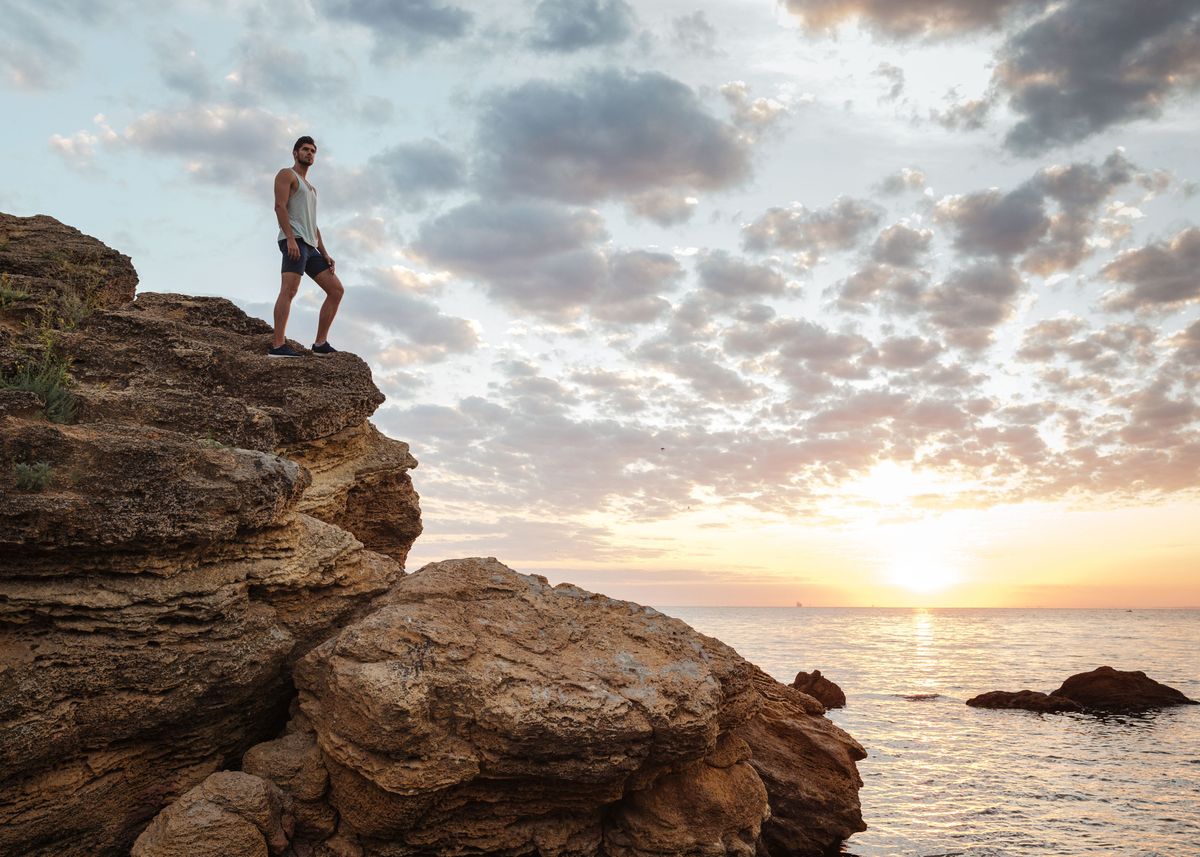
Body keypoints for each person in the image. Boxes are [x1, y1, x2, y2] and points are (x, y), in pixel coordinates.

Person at [269, 135, 344, 357]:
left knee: (336, 290)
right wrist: (290, 238)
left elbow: (313, 224)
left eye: (312, 151)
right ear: (295, 153)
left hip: (311, 246)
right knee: (289, 290)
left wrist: (325, 253)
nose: (309, 153)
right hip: (295, 241)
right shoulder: (286, 175)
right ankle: (277, 345)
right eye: (305, 150)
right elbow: (279, 207)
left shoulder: (312, 188)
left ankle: (320, 344)